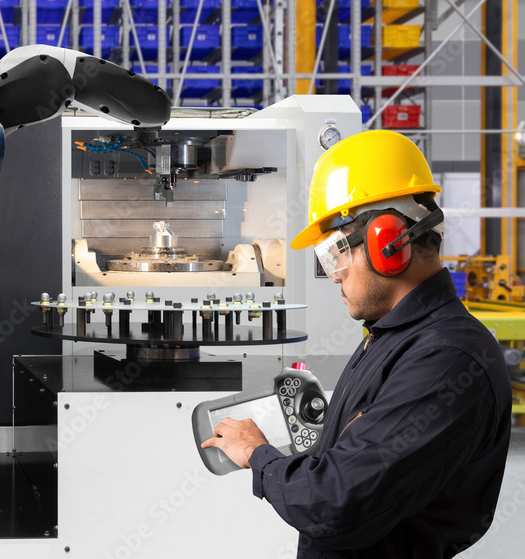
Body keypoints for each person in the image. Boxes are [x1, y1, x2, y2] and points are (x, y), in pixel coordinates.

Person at [201, 129, 511, 558]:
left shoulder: (447, 360)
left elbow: (332, 504)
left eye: (336, 252)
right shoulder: (391, 335)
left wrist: (259, 455)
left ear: (389, 241)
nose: (335, 274)